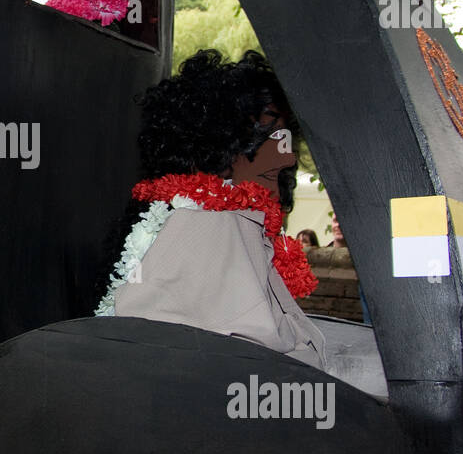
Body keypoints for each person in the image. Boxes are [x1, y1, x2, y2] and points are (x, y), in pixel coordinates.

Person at [96, 50, 322, 366]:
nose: (288, 156)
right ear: (216, 143)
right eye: (268, 135)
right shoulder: (215, 227)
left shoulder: (202, 219)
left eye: (286, 137)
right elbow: (263, 359)